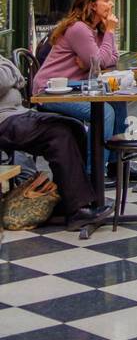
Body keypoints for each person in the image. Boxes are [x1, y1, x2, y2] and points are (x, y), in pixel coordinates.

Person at [0, 56, 111, 227]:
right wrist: (13, 72)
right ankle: (76, 211)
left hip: (17, 113)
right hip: (4, 120)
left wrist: (11, 72)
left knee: (74, 126)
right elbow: (4, 79)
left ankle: (68, 199)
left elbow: (9, 73)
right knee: (58, 134)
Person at [34, 0, 129, 152]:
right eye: (106, 1)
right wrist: (109, 33)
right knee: (104, 113)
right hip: (51, 88)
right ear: (92, 5)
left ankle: (116, 162)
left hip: (75, 86)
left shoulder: (96, 29)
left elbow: (112, 58)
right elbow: (100, 62)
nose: (111, 4)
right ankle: (95, 172)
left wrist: (90, 62)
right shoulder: (79, 29)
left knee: (118, 99)